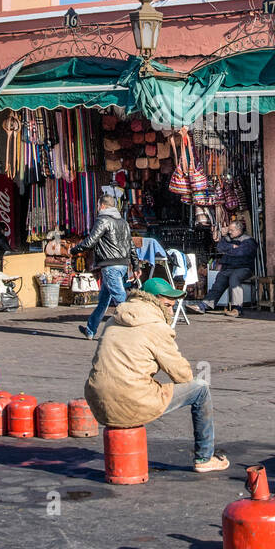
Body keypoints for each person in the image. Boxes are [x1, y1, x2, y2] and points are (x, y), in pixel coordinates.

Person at [84, 277, 229, 473]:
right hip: (131, 400)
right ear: (155, 301)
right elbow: (182, 376)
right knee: (200, 389)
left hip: (97, 401)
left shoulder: (112, 320)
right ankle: (204, 458)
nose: (171, 312)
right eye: (168, 306)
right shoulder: (156, 327)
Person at [71, 194, 131, 340]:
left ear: (102, 206)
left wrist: (74, 250)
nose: (98, 209)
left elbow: (91, 241)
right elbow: (131, 246)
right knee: (104, 300)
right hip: (122, 265)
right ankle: (90, 329)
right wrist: (134, 265)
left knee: (121, 300)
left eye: (98, 206)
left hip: (110, 266)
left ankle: (134, 329)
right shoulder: (123, 222)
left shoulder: (103, 220)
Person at [188, 216, 258, 318]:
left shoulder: (249, 241)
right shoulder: (228, 239)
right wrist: (232, 247)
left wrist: (229, 250)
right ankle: (204, 305)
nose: (229, 232)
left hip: (244, 268)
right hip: (229, 268)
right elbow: (220, 247)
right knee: (220, 278)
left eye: (232, 230)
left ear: (239, 230)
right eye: (229, 230)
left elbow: (241, 252)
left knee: (235, 278)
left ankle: (237, 308)